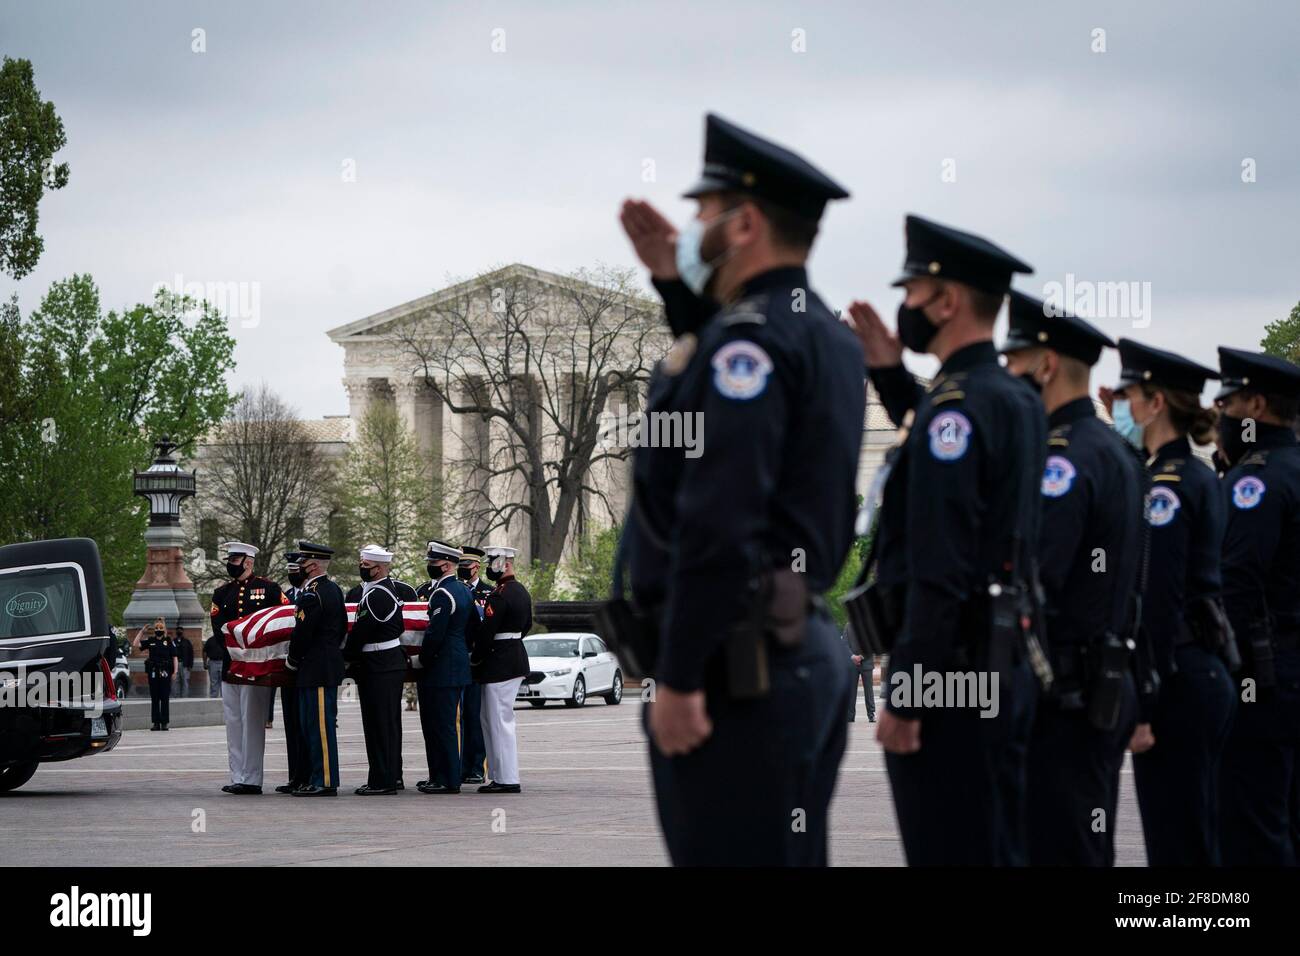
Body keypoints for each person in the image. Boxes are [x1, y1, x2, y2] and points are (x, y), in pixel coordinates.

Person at [620, 113, 861, 864]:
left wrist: (684, 676)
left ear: (746, 221)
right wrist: (675, 285)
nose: (691, 229)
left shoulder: (748, 342)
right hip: (796, 650)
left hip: (738, 671)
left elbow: (720, 518)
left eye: (702, 215)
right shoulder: (821, 331)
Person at [849, 217, 1043, 866]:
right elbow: (941, 427)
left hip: (950, 681)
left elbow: (941, 565)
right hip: (1000, 665)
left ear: (947, 300)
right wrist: (889, 374)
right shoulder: (1009, 398)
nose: (904, 307)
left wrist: (908, 691)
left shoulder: (955, 408)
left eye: (912, 292)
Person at [1001, 290, 1145, 866]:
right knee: (1086, 841)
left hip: (1063, 690)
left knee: (1057, 846)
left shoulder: (1061, 457)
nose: (1009, 375)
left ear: (1046, 364)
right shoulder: (1114, 450)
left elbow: (1039, 577)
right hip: (1103, 681)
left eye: (1015, 362)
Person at [1106, 339, 1236, 865]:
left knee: (1177, 842)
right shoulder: (1194, 474)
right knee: (1195, 832)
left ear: (1155, 402)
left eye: (1129, 395)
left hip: (1177, 678)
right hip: (1201, 670)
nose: (1121, 406)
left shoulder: (1166, 488)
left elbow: (1158, 601)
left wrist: (1146, 703)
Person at [1214, 347, 1300, 865]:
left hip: (1263, 679)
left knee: (1251, 829)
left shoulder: (1257, 482)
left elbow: (1237, 589)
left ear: (1256, 406)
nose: (1222, 414)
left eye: (1230, 401)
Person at [211, 542, 286, 795]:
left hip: (257, 665)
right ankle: (237, 775)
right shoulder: (221, 593)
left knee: (252, 720)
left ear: (248, 562)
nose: (230, 565)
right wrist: (234, 648)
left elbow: (278, 621)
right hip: (232, 663)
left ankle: (252, 778)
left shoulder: (269, 589)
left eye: (235, 561)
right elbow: (218, 627)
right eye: (229, 560)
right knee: (233, 721)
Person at [345, 544, 408, 795]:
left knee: (379, 725)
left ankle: (382, 781)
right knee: (387, 724)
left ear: (380, 568)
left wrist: (346, 658)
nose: (362, 569)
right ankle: (390, 776)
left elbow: (362, 631)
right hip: (386, 662)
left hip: (380, 664)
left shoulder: (376, 595)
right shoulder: (384, 590)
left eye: (366, 566)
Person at [286, 541, 347, 797]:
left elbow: (303, 633)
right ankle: (315, 777)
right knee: (312, 724)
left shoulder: (313, 594)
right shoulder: (331, 589)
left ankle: (324, 780)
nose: (299, 568)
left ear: (311, 566)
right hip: (321, 665)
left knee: (319, 725)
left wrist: (292, 658)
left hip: (316, 667)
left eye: (302, 564)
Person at [470, 545, 531, 794]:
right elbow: (526, 625)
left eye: (492, 562)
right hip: (512, 657)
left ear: (504, 563)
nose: (488, 567)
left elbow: (487, 633)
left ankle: (507, 778)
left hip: (499, 663)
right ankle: (498, 775)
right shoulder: (520, 591)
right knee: (492, 719)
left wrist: (476, 658)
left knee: (498, 721)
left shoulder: (501, 594)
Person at [415, 540, 472, 794]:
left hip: (442, 667)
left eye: (433, 563)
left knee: (441, 725)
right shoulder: (463, 590)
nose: (430, 567)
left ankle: (447, 779)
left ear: (446, 565)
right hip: (455, 662)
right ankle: (439, 775)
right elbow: (472, 628)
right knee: (443, 724)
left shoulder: (442, 593)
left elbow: (435, 634)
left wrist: (423, 660)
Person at [274, 551, 310, 794]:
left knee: (307, 724)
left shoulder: (314, 594)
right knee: (291, 723)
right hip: (288, 667)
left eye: (296, 570)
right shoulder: (285, 597)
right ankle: (295, 775)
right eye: (290, 571)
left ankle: (308, 774)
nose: (292, 575)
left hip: (307, 666)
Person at [457, 544, 491, 784]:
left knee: (475, 716)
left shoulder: (489, 594)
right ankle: (458, 765)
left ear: (476, 567)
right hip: (454, 660)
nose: (462, 571)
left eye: (466, 567)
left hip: (477, 661)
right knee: (456, 717)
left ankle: (477, 766)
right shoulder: (448, 590)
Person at [134, 618, 173, 731]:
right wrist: (142, 631)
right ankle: (156, 722)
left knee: (164, 698)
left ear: (164, 629)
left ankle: (164, 723)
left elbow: (174, 657)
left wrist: (174, 672)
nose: (158, 630)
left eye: (160, 628)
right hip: (153, 672)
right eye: (156, 628)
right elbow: (136, 644)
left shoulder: (168, 641)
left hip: (165, 672)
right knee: (155, 698)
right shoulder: (151, 640)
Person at [172, 625, 193, 698]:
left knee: (185, 681)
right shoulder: (173, 642)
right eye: (178, 630)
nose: (179, 631)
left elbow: (191, 654)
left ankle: (185, 697)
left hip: (185, 664)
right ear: (176, 632)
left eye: (181, 630)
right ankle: (176, 696)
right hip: (175, 665)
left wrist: (190, 665)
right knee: (175, 681)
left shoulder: (187, 642)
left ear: (183, 632)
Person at [203, 628, 224, 698]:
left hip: (222, 662)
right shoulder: (210, 640)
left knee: (223, 681)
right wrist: (205, 662)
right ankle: (213, 697)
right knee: (213, 681)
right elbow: (205, 652)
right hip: (212, 662)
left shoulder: (224, 639)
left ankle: (223, 697)